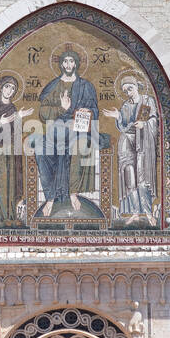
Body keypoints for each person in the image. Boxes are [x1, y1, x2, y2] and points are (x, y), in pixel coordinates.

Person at [33, 48, 109, 217]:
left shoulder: (85, 86)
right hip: (57, 130)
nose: (68, 64)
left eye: (71, 61)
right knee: (41, 148)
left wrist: (83, 113)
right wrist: (61, 108)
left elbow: (95, 111)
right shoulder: (54, 85)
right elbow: (43, 113)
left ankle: (72, 193)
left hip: (79, 129)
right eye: (65, 61)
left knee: (75, 147)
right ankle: (50, 197)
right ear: (61, 64)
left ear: (76, 64)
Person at [103, 75, 158, 225]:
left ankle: (147, 213)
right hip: (126, 142)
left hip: (142, 142)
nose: (128, 93)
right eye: (125, 90)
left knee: (141, 180)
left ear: (136, 87)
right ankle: (135, 212)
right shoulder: (126, 106)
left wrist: (144, 124)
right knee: (130, 179)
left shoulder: (147, 101)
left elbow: (153, 120)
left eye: (130, 88)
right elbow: (123, 127)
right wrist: (118, 116)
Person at [0, 76, 32, 225]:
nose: (10, 90)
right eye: (7, 87)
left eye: (13, 88)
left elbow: (15, 131)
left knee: (10, 181)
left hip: (9, 150)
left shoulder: (12, 108)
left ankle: (9, 216)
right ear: (1, 88)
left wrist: (19, 117)